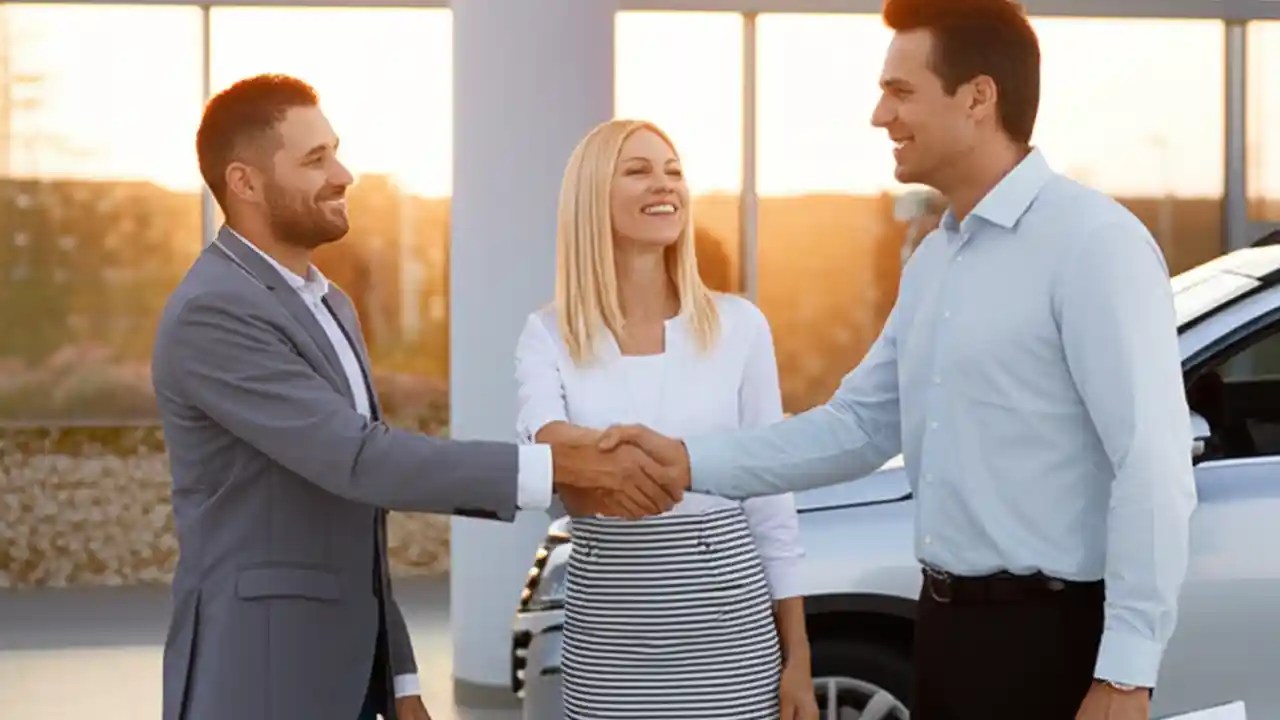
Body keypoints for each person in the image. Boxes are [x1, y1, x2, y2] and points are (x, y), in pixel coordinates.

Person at [595, 1, 1199, 718]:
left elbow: (1153, 464)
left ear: (978, 97)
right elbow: (857, 425)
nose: (881, 116)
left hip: (1054, 639)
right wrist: (688, 461)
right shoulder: (937, 258)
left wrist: (1126, 676)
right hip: (943, 629)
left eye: (901, 91)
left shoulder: (1094, 245)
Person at [151, 74, 682, 720]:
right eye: (315, 159)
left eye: (336, 152)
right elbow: (360, 461)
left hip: (345, 675)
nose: (344, 174)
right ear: (244, 183)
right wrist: (563, 466)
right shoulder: (215, 311)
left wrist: (399, 677)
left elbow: (358, 514)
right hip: (258, 673)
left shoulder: (330, 305)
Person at [514, 119, 819, 720]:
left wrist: (799, 659)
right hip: (609, 641)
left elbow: (770, 498)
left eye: (673, 170)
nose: (665, 184)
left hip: (731, 635)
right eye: (639, 170)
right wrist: (594, 465)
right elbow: (544, 451)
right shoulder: (547, 334)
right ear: (593, 195)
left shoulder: (740, 327)